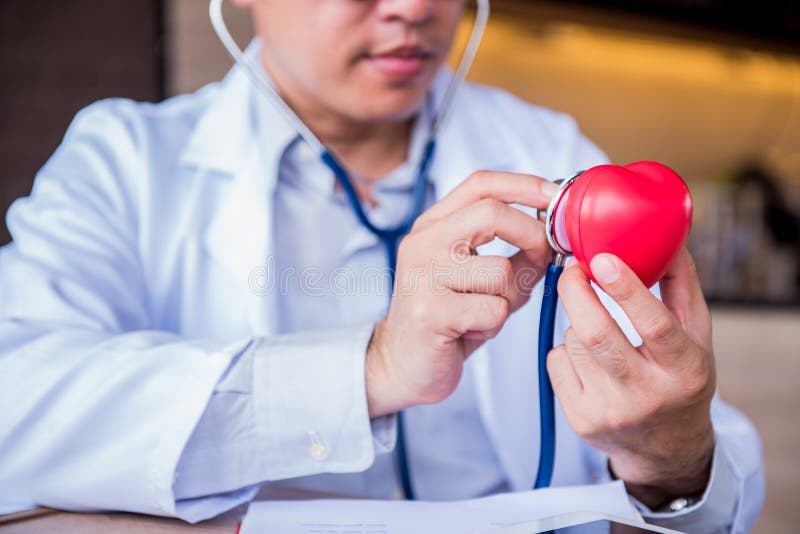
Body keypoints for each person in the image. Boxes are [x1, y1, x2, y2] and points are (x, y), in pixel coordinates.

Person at [0, 1, 763, 532]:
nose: (413, 7)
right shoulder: (126, 161)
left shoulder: (554, 158)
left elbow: (713, 487)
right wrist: (369, 370)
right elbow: (17, 402)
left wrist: (674, 459)